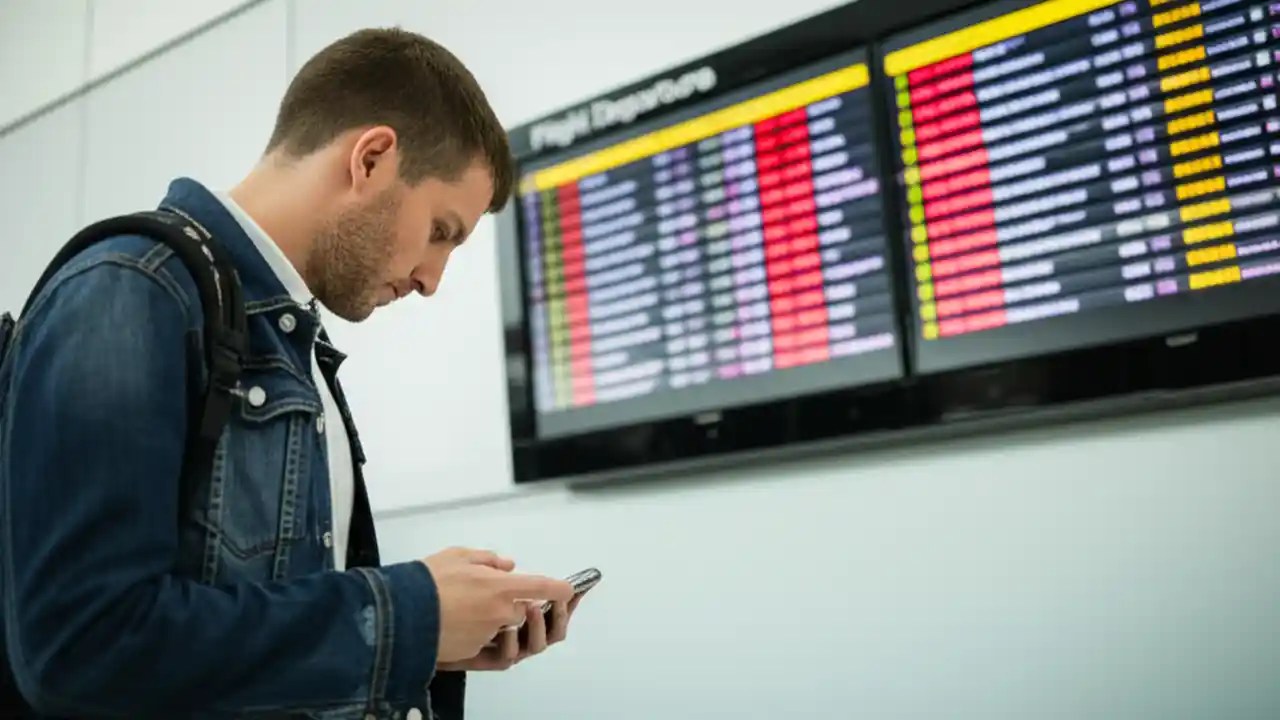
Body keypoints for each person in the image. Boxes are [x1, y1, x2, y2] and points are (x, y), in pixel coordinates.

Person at [0, 27, 581, 719]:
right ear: (371, 159)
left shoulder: (290, 345)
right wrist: (409, 614)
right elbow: (81, 649)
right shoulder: (132, 289)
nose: (433, 279)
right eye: (441, 231)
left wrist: (430, 642)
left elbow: (260, 636)